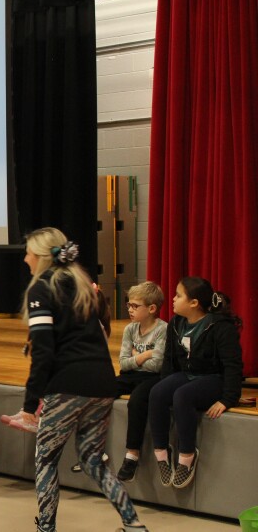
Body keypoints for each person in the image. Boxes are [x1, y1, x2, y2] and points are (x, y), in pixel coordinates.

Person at [19, 227, 146, 532]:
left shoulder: (41, 289)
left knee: (46, 459)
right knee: (92, 460)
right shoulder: (81, 284)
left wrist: (30, 401)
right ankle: (133, 524)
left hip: (67, 384)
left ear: (39, 257)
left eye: (28, 254)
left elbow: (44, 352)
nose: (25, 260)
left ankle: (46, 528)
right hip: (102, 383)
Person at [148, 277, 243, 489]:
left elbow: (232, 365)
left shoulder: (220, 327)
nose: (172, 299)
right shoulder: (176, 323)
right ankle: (162, 453)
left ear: (194, 303)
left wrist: (228, 399)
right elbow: (169, 360)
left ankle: (187, 457)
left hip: (213, 379)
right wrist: (166, 386)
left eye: (178, 295)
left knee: (183, 396)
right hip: (188, 375)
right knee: (157, 392)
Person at [114, 281, 167, 482]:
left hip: (152, 378)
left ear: (152, 308)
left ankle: (132, 455)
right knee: (101, 390)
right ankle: (95, 445)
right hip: (132, 374)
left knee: (136, 401)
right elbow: (122, 364)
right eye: (129, 305)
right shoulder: (130, 329)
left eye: (135, 306)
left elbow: (157, 366)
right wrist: (145, 355)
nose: (130, 309)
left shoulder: (163, 329)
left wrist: (135, 357)